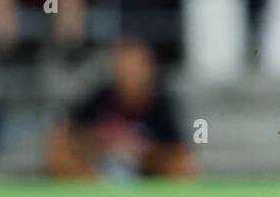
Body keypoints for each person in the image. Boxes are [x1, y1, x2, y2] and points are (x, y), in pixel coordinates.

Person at [44, 35, 192, 180]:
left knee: (181, 164)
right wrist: (100, 143)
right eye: (124, 66)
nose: (129, 73)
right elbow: (70, 133)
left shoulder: (161, 104)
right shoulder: (98, 99)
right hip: (98, 174)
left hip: (147, 172)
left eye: (134, 67)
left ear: (148, 68)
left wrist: (142, 151)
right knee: (58, 149)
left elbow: (176, 149)